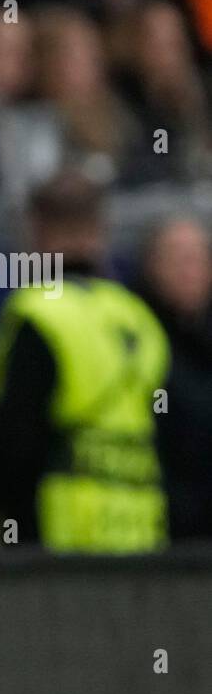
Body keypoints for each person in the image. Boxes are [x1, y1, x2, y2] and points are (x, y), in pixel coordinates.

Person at [0, 171, 169, 552]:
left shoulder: (38, 313)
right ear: (100, 231)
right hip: (140, 528)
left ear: (36, 230)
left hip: (57, 531)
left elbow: (13, 442)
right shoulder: (139, 318)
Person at [137, 216, 212, 539]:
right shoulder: (135, 334)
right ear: (152, 267)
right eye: (175, 259)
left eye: (195, 259)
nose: (187, 270)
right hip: (158, 522)